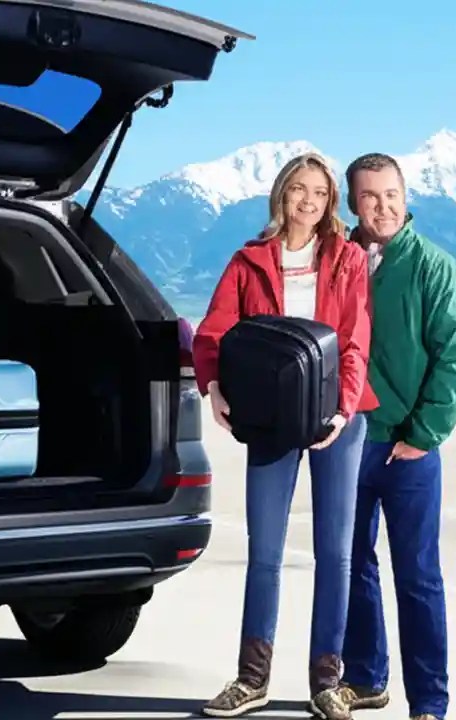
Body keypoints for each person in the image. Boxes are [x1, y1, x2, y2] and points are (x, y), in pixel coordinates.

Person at [192, 152, 378, 720]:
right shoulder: (249, 260)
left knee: (335, 554)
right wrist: (215, 387)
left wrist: (342, 412)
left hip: (337, 424)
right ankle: (252, 679)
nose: (307, 200)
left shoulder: (346, 259)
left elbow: (354, 341)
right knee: (265, 553)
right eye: (298, 189)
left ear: (330, 203)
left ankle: (327, 680)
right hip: (272, 419)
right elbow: (214, 331)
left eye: (319, 193)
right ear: (281, 195)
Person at [337, 153, 456, 720]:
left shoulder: (435, 269)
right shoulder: (337, 261)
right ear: (352, 203)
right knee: (349, 565)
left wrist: (423, 435)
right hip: (345, 444)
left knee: (417, 575)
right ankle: (366, 678)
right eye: (369, 197)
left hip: (407, 449)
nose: (382, 207)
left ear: (406, 194)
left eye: (391, 194)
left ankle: (429, 702)